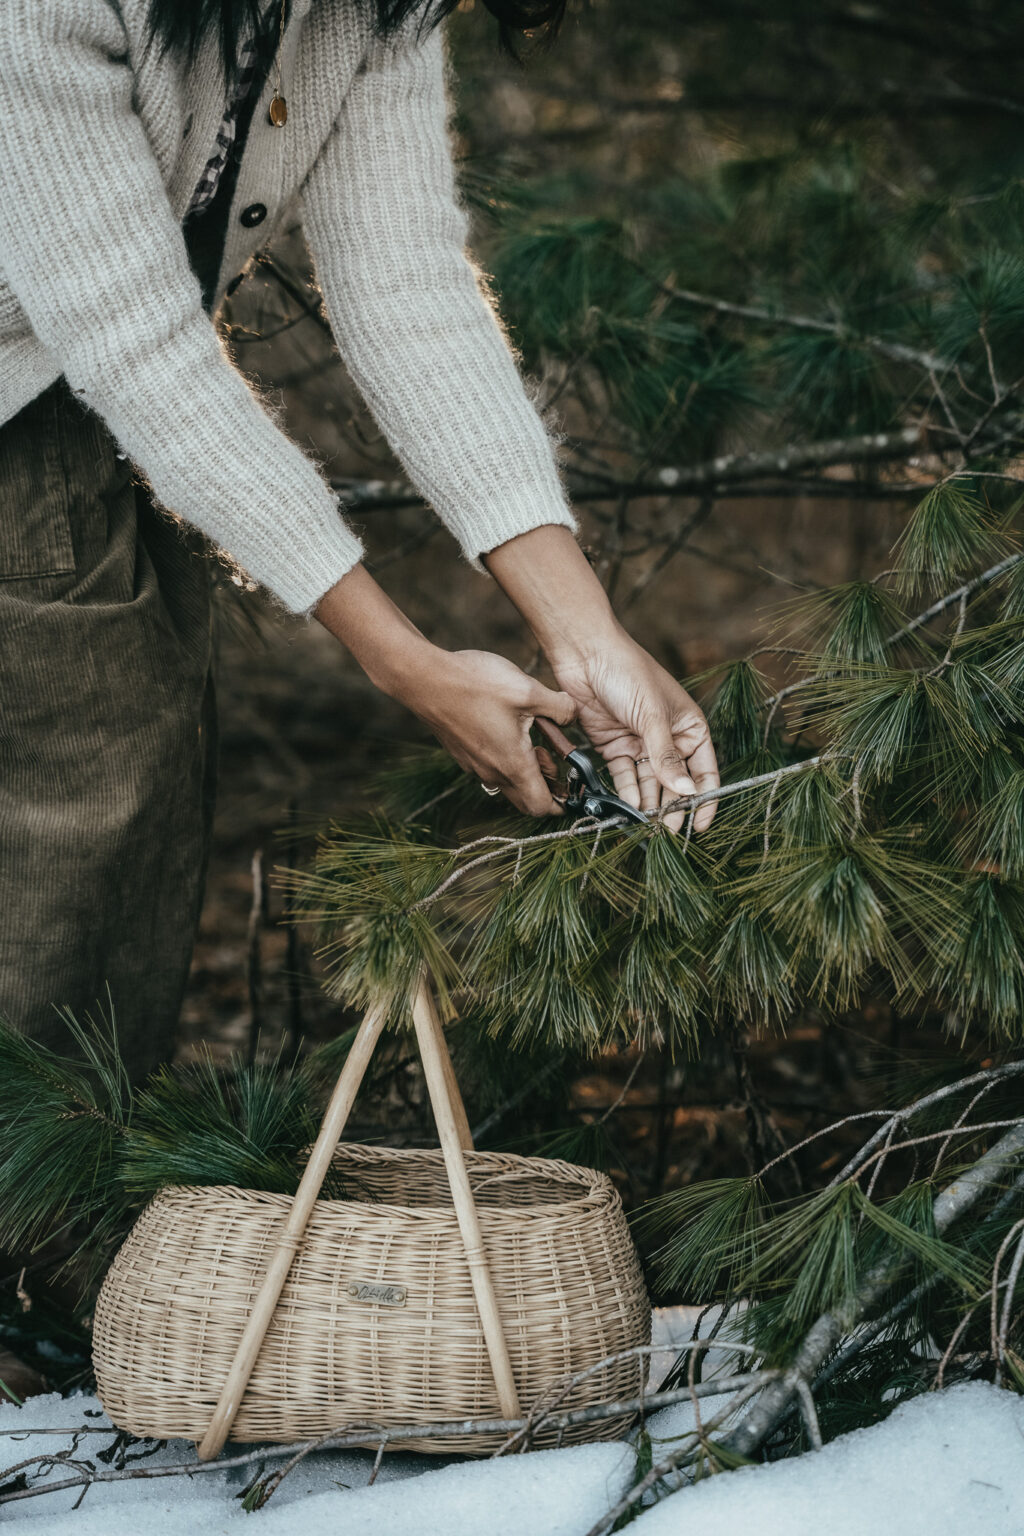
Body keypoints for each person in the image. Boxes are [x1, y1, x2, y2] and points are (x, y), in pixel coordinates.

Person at [0, 0, 719, 1080]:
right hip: (45, 408)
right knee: (70, 856)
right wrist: (404, 661)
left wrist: (586, 635)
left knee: (123, 847)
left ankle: (63, 1210)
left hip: (94, 413)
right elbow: (138, 343)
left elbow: (408, 288)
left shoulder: (377, 7)